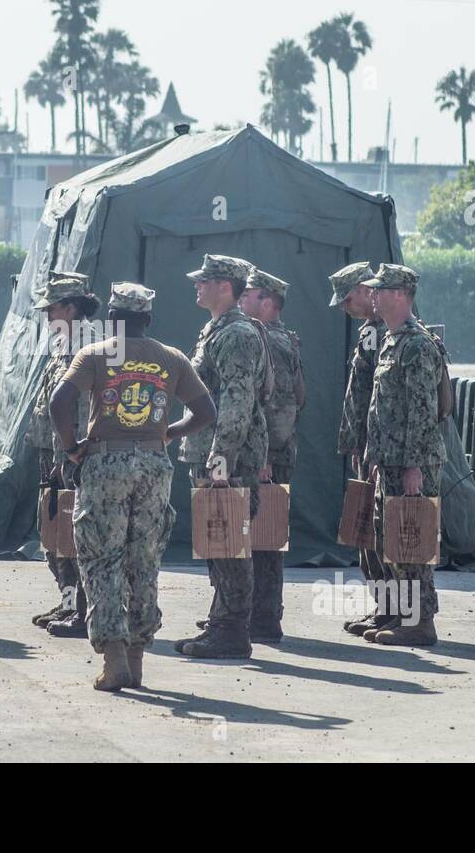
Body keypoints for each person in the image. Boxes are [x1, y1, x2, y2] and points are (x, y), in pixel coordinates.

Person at [51, 283, 215, 690]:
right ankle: (138, 656)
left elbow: (59, 402)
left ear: (113, 318)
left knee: (102, 559)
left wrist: (71, 449)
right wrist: (168, 433)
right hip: (154, 466)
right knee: (143, 559)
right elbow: (206, 411)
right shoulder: (171, 358)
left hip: (106, 461)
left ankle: (114, 658)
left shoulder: (96, 354)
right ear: (148, 319)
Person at [174, 254, 268, 660]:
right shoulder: (218, 329)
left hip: (226, 457)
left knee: (229, 542)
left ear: (225, 287)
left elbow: (237, 399)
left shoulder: (237, 334)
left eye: (204, 280)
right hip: (212, 451)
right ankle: (222, 620)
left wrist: (221, 458)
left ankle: (231, 632)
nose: (197, 285)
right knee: (218, 542)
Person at [360, 264, 444, 647]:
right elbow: (384, 408)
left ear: (399, 295)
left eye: (380, 290)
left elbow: (423, 411)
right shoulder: (393, 340)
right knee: (389, 542)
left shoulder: (417, 344)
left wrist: (414, 466)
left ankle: (420, 623)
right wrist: (376, 456)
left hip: (412, 462)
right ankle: (399, 615)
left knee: (411, 542)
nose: (373, 296)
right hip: (390, 459)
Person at [27, 271, 100, 639]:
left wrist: (72, 454)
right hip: (54, 452)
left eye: (52, 307)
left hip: (72, 455)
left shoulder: (86, 344)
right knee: (55, 530)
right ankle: (68, 600)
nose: (47, 315)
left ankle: (83, 609)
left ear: (71, 308)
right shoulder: (64, 342)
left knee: (75, 532)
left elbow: (85, 405)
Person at [239, 268, 306, 643]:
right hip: (267, 453)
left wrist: (265, 456)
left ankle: (262, 618)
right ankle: (247, 613)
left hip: (268, 456)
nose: (242, 299)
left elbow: (281, 406)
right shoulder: (275, 338)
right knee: (254, 536)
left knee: (264, 540)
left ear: (267, 301)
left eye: (248, 294)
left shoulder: (273, 341)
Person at [329, 261, 394, 636]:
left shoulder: (386, 333)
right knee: (366, 532)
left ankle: (395, 610)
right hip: (366, 446)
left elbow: (380, 399)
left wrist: (373, 446)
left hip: (379, 449)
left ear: (366, 292)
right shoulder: (371, 332)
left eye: (347, 298)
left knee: (383, 533)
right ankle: (384, 607)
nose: (344, 307)